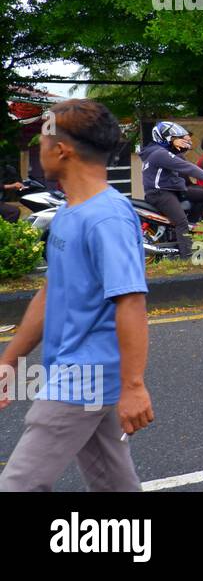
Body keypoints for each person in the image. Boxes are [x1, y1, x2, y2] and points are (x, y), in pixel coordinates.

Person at [0, 99, 153, 491]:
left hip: (82, 378)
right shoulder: (70, 212)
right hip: (82, 373)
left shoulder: (108, 216)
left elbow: (131, 301)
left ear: (61, 149)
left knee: (19, 485)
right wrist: (11, 359)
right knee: (113, 481)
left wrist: (134, 386)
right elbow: (53, 291)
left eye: (42, 139)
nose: (39, 148)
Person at [140, 122, 203, 258]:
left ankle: (191, 226)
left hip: (172, 190)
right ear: (164, 138)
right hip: (160, 194)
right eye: (176, 138)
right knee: (181, 222)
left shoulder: (162, 152)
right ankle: (188, 258)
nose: (181, 141)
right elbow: (188, 168)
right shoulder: (159, 154)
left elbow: (181, 157)